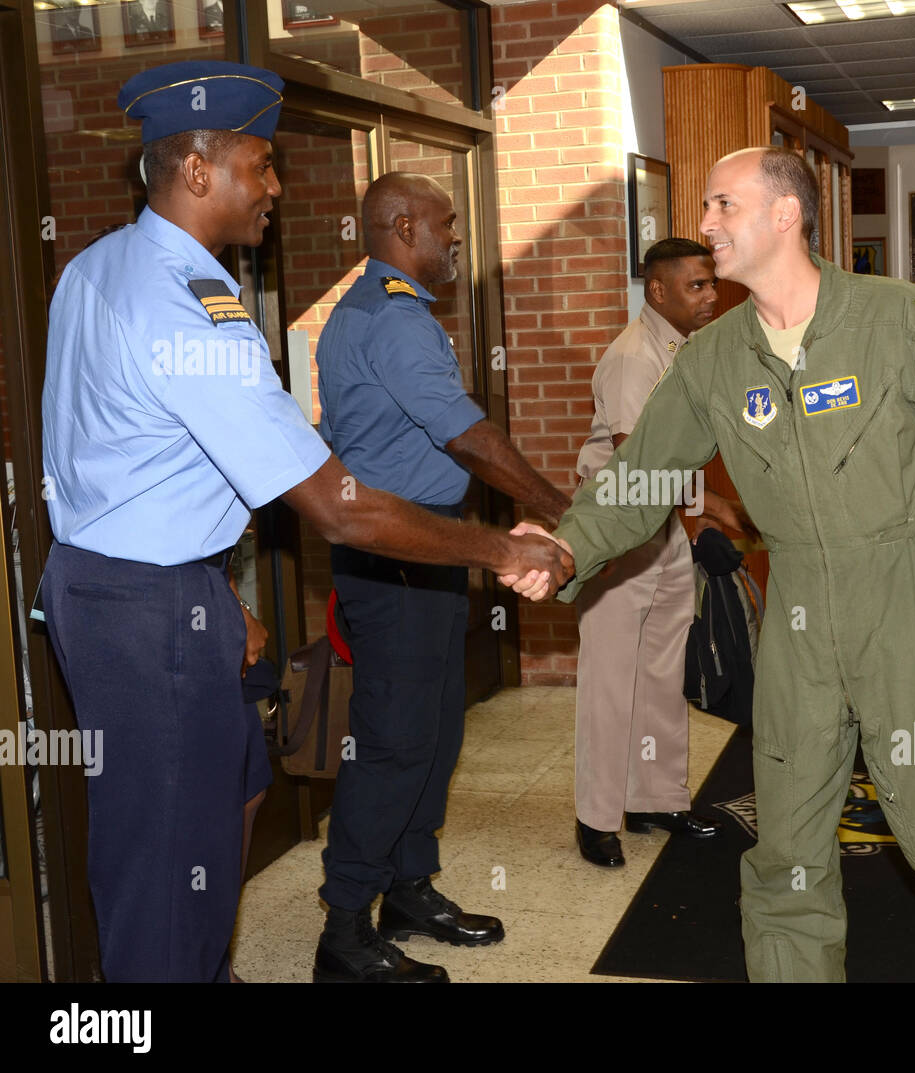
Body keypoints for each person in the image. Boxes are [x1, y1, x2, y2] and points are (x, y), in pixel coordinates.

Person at [40, 60, 569, 984]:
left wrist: (215, 592)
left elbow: (128, 458)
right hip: (145, 607)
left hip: (131, 581)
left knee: (235, 784)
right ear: (197, 170)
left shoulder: (97, 265)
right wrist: (502, 547)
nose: (276, 186)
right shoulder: (188, 309)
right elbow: (337, 509)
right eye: (261, 164)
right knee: (164, 858)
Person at [540, 146, 915, 983]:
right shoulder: (712, 358)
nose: (705, 223)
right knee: (786, 841)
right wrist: (567, 546)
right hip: (799, 618)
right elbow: (643, 474)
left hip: (912, 601)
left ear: (786, 215)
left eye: (723, 204)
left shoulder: (903, 319)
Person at [313, 172, 573, 983]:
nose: (455, 238)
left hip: (429, 550)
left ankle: (408, 888)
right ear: (402, 228)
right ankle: (345, 929)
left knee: (434, 731)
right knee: (394, 742)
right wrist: (560, 508)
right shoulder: (390, 317)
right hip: (395, 557)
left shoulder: (386, 310)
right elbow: (468, 438)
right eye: (445, 224)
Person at [572, 237, 749, 867]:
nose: (711, 296)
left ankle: (655, 798)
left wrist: (702, 517)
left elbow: (679, 453)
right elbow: (638, 459)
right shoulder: (632, 357)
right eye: (697, 285)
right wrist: (712, 516)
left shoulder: (685, 349)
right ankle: (596, 819)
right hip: (619, 533)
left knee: (662, 673)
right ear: (657, 290)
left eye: (712, 283)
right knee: (610, 680)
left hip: (664, 527)